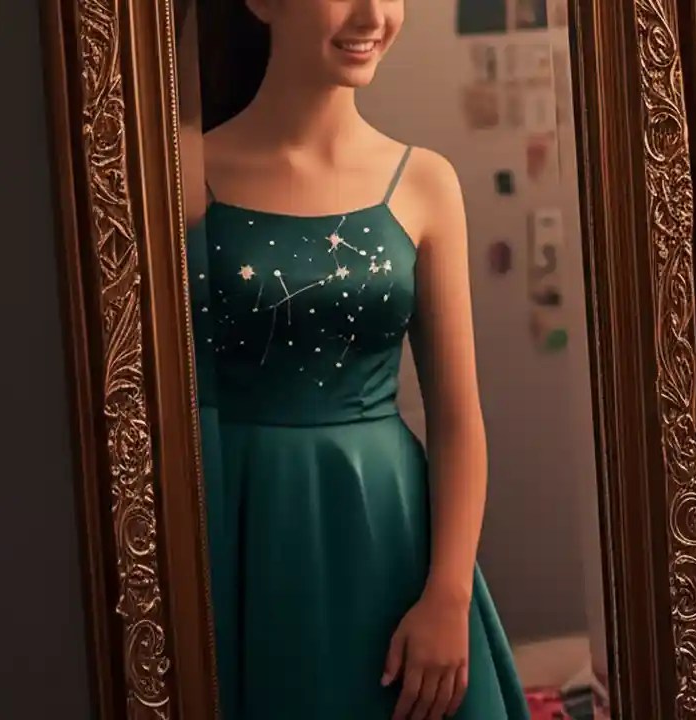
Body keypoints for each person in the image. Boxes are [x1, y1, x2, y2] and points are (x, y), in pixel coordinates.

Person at [188, 1, 529, 718]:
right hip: (239, 532)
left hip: (389, 536)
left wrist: (448, 595)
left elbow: (459, 420)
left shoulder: (425, 181)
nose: (374, 13)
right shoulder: (180, 172)